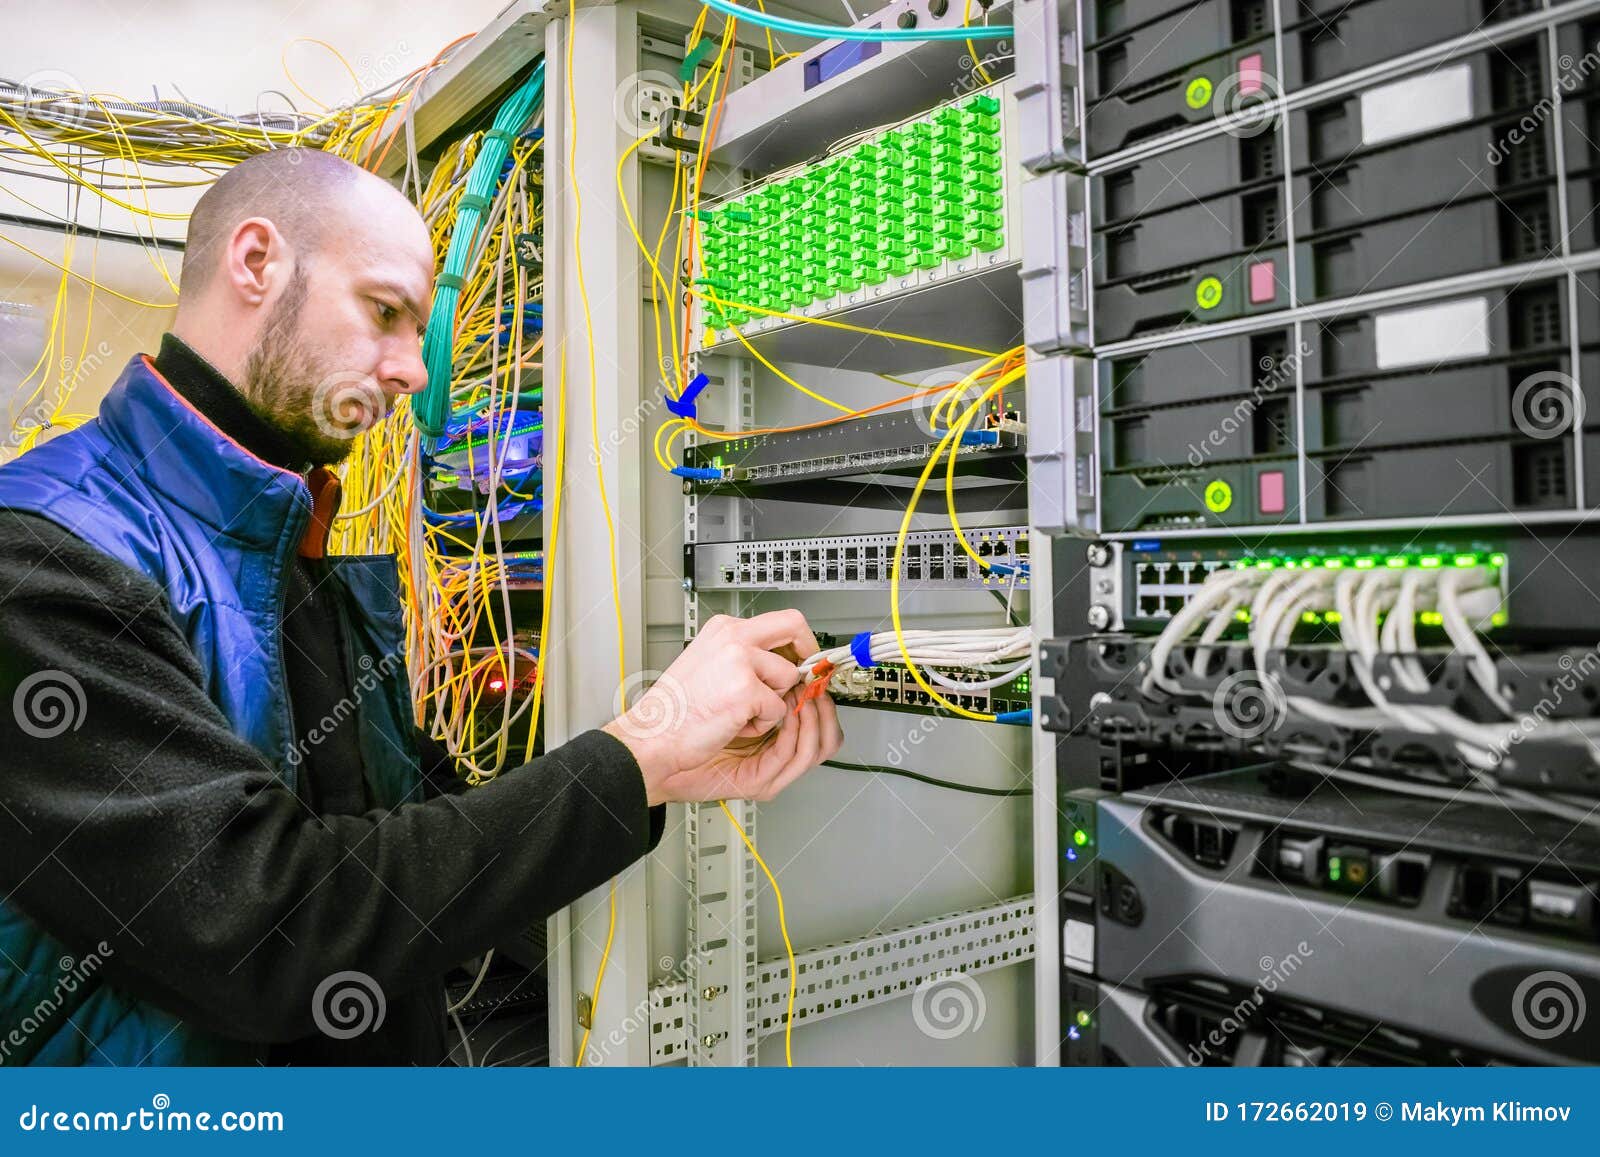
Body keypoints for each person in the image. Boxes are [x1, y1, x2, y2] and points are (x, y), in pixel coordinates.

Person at [0, 147, 842, 1066]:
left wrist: (660, 772)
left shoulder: (289, 534)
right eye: (385, 311)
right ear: (255, 262)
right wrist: (640, 751)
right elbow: (263, 922)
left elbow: (396, 821)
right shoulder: (43, 556)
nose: (411, 368)